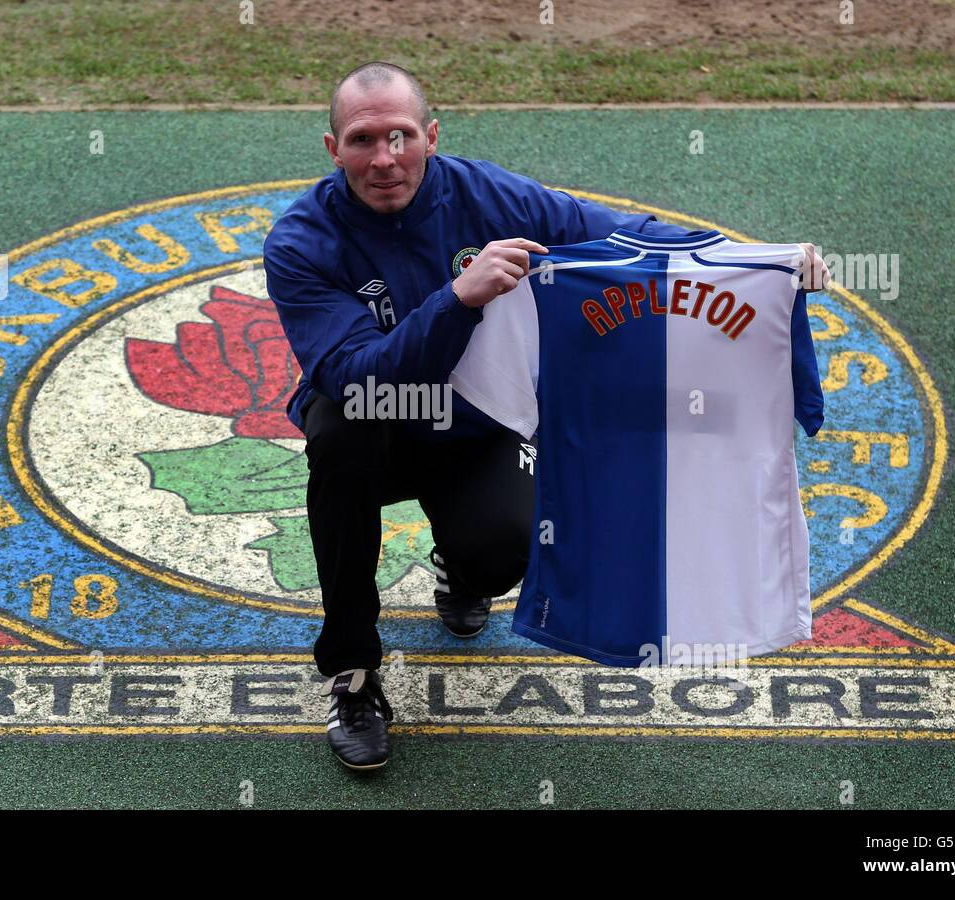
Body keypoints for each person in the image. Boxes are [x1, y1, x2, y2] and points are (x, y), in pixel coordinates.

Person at [261, 61, 827, 770]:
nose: (384, 159)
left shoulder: (490, 196)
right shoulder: (299, 242)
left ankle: (462, 571)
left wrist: (760, 264)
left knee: (506, 549)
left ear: (432, 136)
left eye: (401, 136)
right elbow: (353, 379)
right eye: (362, 140)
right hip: (375, 423)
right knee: (338, 445)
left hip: (476, 423)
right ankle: (353, 675)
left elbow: (625, 239)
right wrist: (456, 299)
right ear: (331, 148)